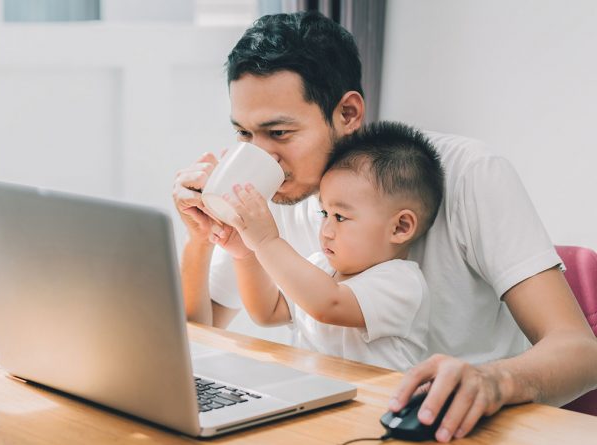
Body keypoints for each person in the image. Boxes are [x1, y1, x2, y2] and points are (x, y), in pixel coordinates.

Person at [172, 11, 597, 443]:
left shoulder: (468, 172)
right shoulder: (272, 191)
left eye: (279, 132)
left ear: (349, 112)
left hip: (459, 430)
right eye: (243, 133)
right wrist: (199, 239)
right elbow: (197, 334)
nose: (261, 156)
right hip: (335, 424)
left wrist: (493, 381)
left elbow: (580, 353)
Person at [220, 121, 443, 372]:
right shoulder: (318, 267)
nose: (325, 230)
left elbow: (329, 304)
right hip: (316, 398)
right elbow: (267, 312)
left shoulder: (400, 283)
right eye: (323, 212)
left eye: (340, 217)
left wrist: (267, 241)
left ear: (400, 227)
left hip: (375, 407)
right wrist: (245, 252)